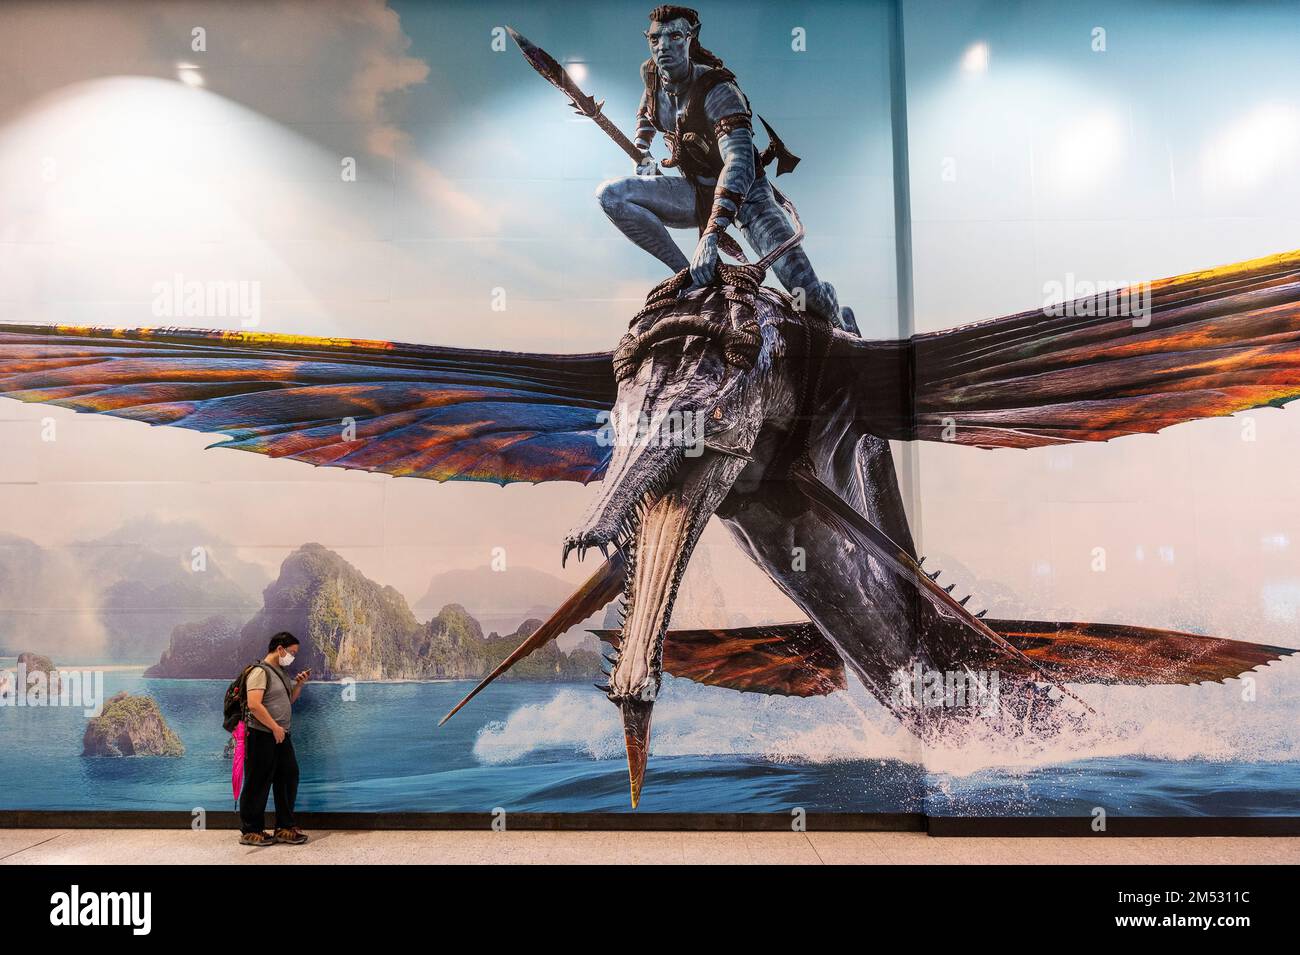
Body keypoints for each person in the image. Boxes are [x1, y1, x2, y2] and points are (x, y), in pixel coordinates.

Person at [596, 5, 857, 334]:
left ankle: (840, 317)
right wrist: (643, 149)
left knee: (807, 294)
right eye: (655, 39)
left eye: (674, 37)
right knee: (611, 196)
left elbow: (739, 163)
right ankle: (690, 277)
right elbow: (646, 112)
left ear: (690, 40)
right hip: (696, 190)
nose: (663, 47)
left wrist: (711, 235)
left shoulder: (718, 90)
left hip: (749, 195)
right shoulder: (651, 75)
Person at [238, 632, 310, 846]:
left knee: (288, 776)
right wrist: (274, 727)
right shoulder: (259, 672)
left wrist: (298, 685)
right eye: (292, 653)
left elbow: (286, 701)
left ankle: (284, 826)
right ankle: (251, 830)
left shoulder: (279, 671)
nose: (292, 657)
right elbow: (254, 704)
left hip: (281, 735)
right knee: (258, 782)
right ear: (280, 649)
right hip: (262, 735)